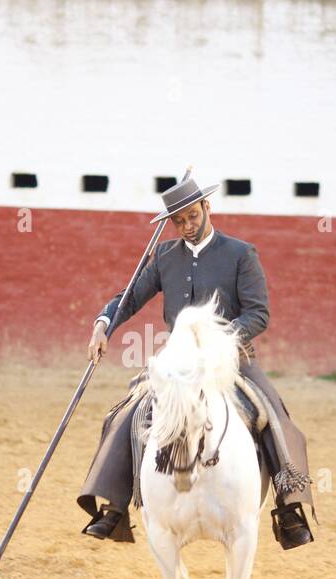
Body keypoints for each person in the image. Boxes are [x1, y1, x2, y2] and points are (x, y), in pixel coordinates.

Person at [76, 176, 315, 550]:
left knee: (273, 415)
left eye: (192, 216)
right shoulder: (166, 256)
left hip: (233, 359)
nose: (188, 226)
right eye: (180, 221)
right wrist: (103, 324)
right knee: (126, 413)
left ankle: (288, 509)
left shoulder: (240, 253)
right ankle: (115, 505)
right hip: (178, 362)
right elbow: (131, 297)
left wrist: (219, 342)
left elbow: (258, 314)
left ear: (207, 208)